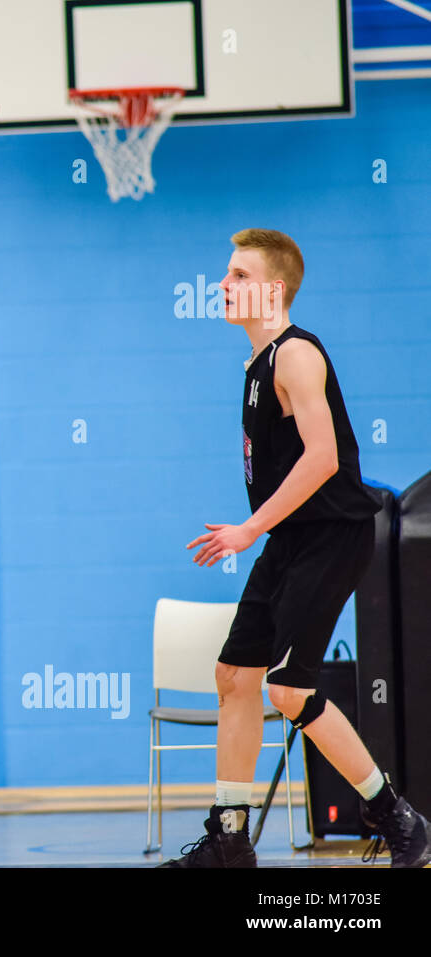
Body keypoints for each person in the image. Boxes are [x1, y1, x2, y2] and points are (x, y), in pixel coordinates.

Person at [161, 228, 430, 868]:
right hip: (290, 537)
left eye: (238, 276)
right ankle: (228, 842)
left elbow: (323, 458)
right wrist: (263, 530)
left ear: (274, 289)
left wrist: (248, 529)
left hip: (332, 536)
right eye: (225, 275)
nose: (223, 286)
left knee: (287, 690)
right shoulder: (256, 363)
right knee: (233, 677)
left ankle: (397, 816)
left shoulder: (295, 354)